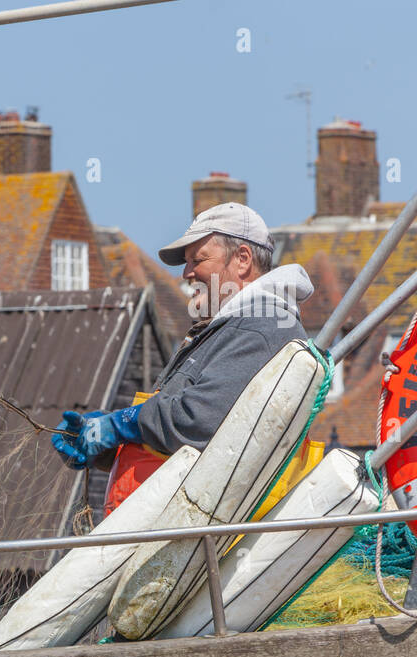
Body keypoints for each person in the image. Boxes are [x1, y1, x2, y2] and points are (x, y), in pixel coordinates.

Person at [52, 202, 314, 485]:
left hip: (210, 530)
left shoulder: (261, 328)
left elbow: (199, 421)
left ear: (242, 259)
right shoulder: (233, 329)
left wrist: (119, 424)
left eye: (197, 260)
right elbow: (190, 448)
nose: (186, 273)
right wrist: (104, 446)